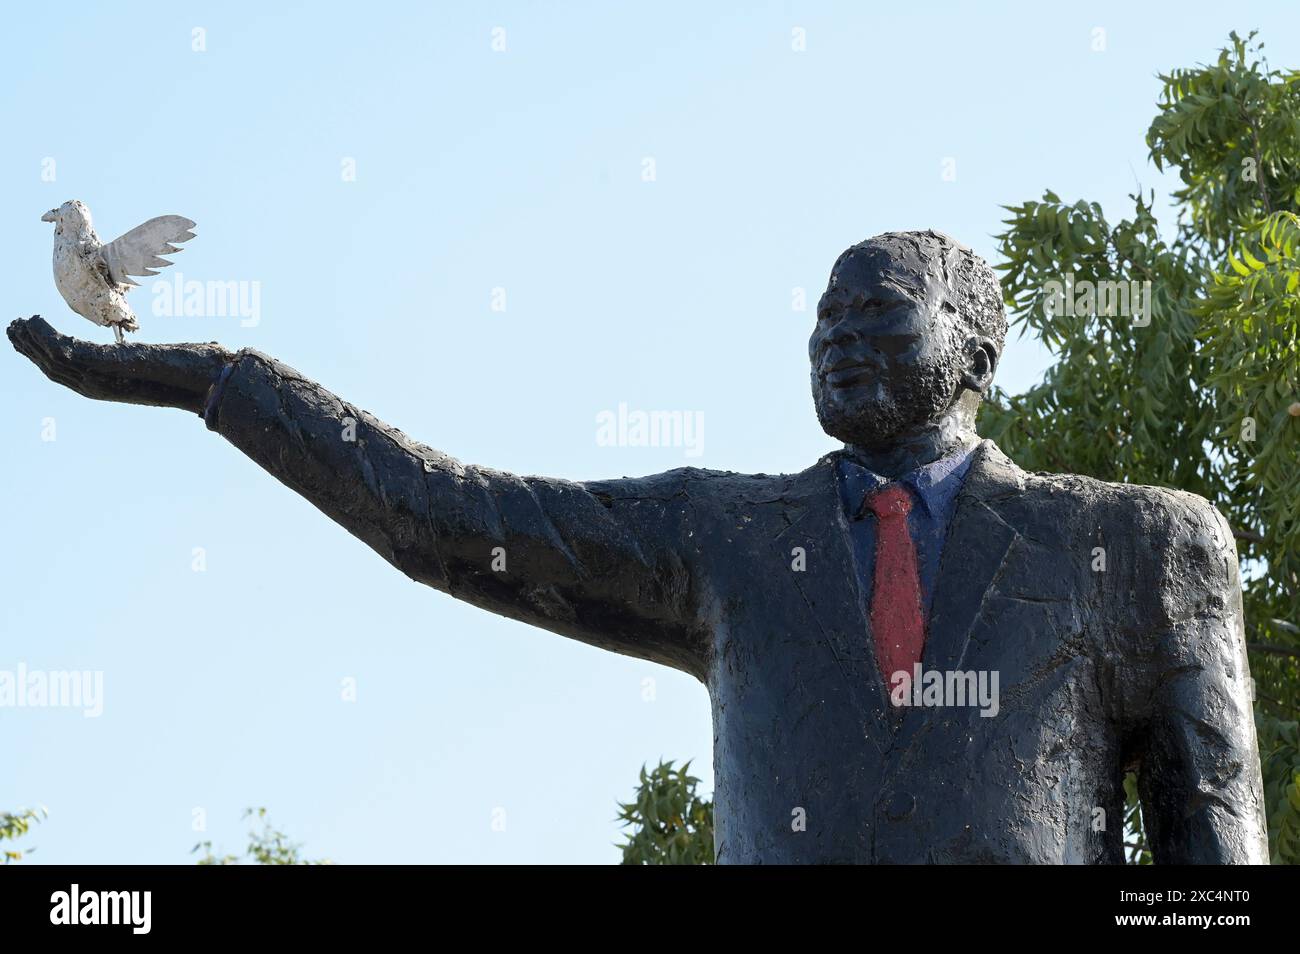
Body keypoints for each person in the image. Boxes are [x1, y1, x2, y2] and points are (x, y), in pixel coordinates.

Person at [9, 229, 1268, 863]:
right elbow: (446, 520)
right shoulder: (722, 535)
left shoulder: (1140, 545)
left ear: (979, 356)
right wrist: (216, 381)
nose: (832, 338)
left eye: (875, 313)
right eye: (820, 318)